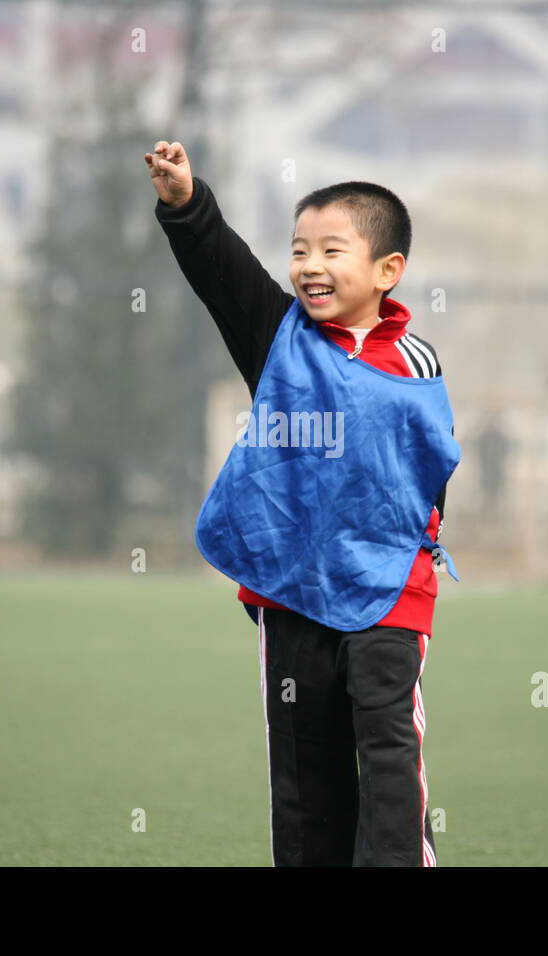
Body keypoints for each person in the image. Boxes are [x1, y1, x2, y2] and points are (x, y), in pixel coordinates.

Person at [147, 141, 460, 866]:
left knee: (389, 759)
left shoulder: (419, 363)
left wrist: (418, 547)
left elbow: (429, 469)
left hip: (388, 596)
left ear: (388, 271)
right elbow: (222, 275)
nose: (309, 266)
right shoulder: (277, 339)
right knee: (302, 779)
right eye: (299, 250)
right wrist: (187, 205)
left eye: (331, 250)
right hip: (294, 594)